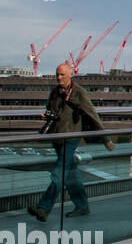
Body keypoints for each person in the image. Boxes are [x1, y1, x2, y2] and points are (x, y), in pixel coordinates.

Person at [28, 62, 115, 222]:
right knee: (71, 172)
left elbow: (92, 115)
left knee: (59, 171)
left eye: (62, 74)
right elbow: (51, 111)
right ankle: (82, 206)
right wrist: (46, 116)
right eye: (57, 74)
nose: (59, 77)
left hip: (71, 137)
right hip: (57, 137)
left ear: (70, 75)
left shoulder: (79, 93)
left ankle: (43, 207)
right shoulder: (55, 92)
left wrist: (106, 139)